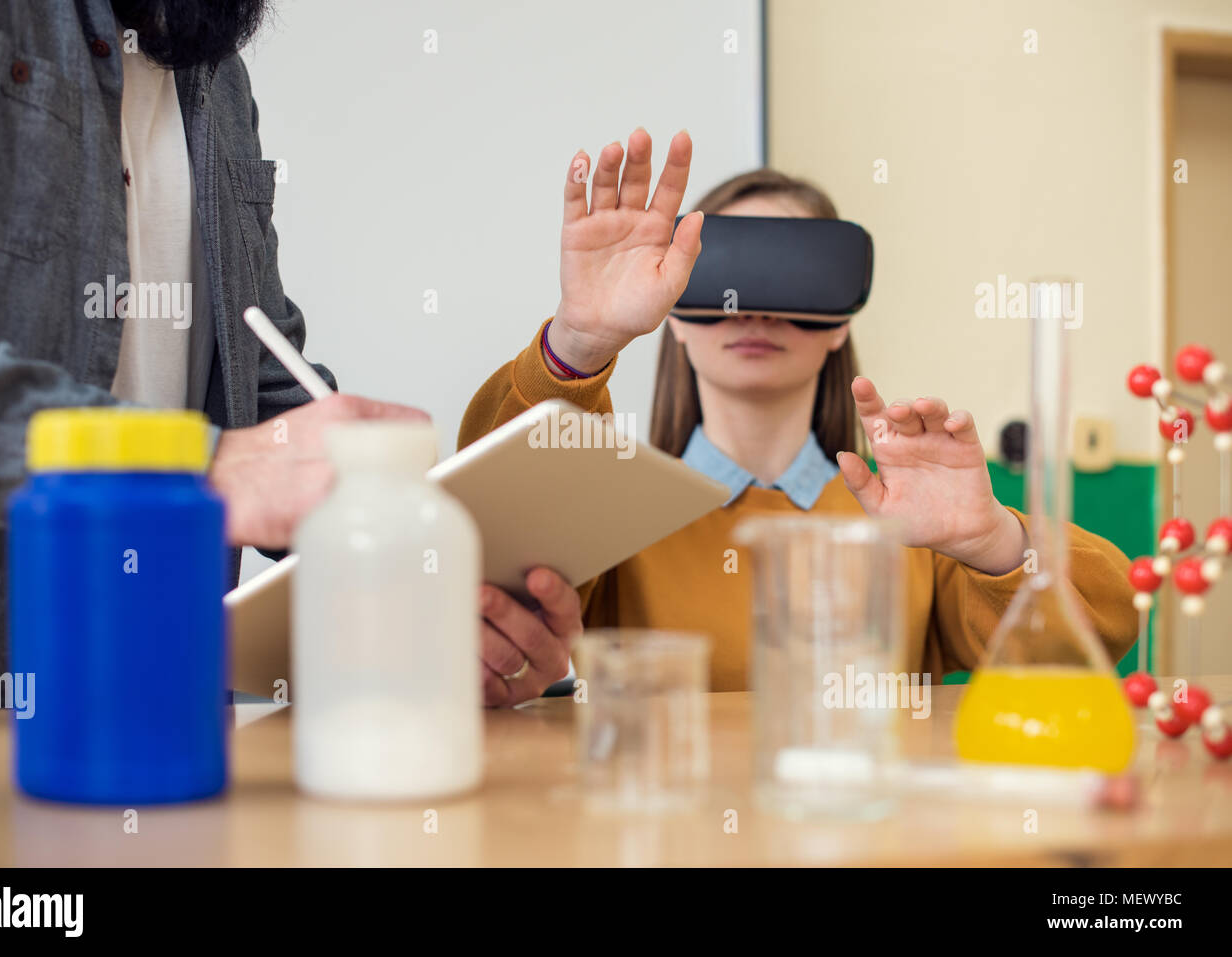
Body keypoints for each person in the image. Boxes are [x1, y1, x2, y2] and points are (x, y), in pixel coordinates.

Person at [0, 0, 581, 706]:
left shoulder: (218, 80)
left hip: (173, 698)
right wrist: (202, 465)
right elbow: (238, 461)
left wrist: (430, 585)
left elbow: (260, 385)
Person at [460, 129, 1136, 694]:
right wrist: (580, 340)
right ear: (674, 318)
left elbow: (1096, 633)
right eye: (723, 278)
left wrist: (992, 540)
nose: (754, 309)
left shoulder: (907, 524)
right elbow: (492, 535)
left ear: (840, 320)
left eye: (793, 278)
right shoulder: (613, 515)